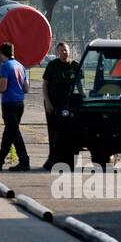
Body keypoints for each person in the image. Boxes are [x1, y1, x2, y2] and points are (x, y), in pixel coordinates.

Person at [0, 42, 30, 172]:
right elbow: (26, 88)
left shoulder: (5, 66)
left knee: (15, 133)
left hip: (9, 104)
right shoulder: (20, 66)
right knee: (9, 133)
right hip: (19, 103)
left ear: (1, 53)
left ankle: (24, 161)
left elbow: (3, 87)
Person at [41, 41, 79, 169]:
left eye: (66, 50)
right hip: (53, 105)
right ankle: (53, 160)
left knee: (70, 133)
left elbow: (80, 85)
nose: (64, 52)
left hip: (69, 107)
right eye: (62, 50)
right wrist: (48, 102)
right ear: (57, 52)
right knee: (54, 133)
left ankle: (69, 161)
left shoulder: (75, 66)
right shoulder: (53, 65)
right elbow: (45, 85)